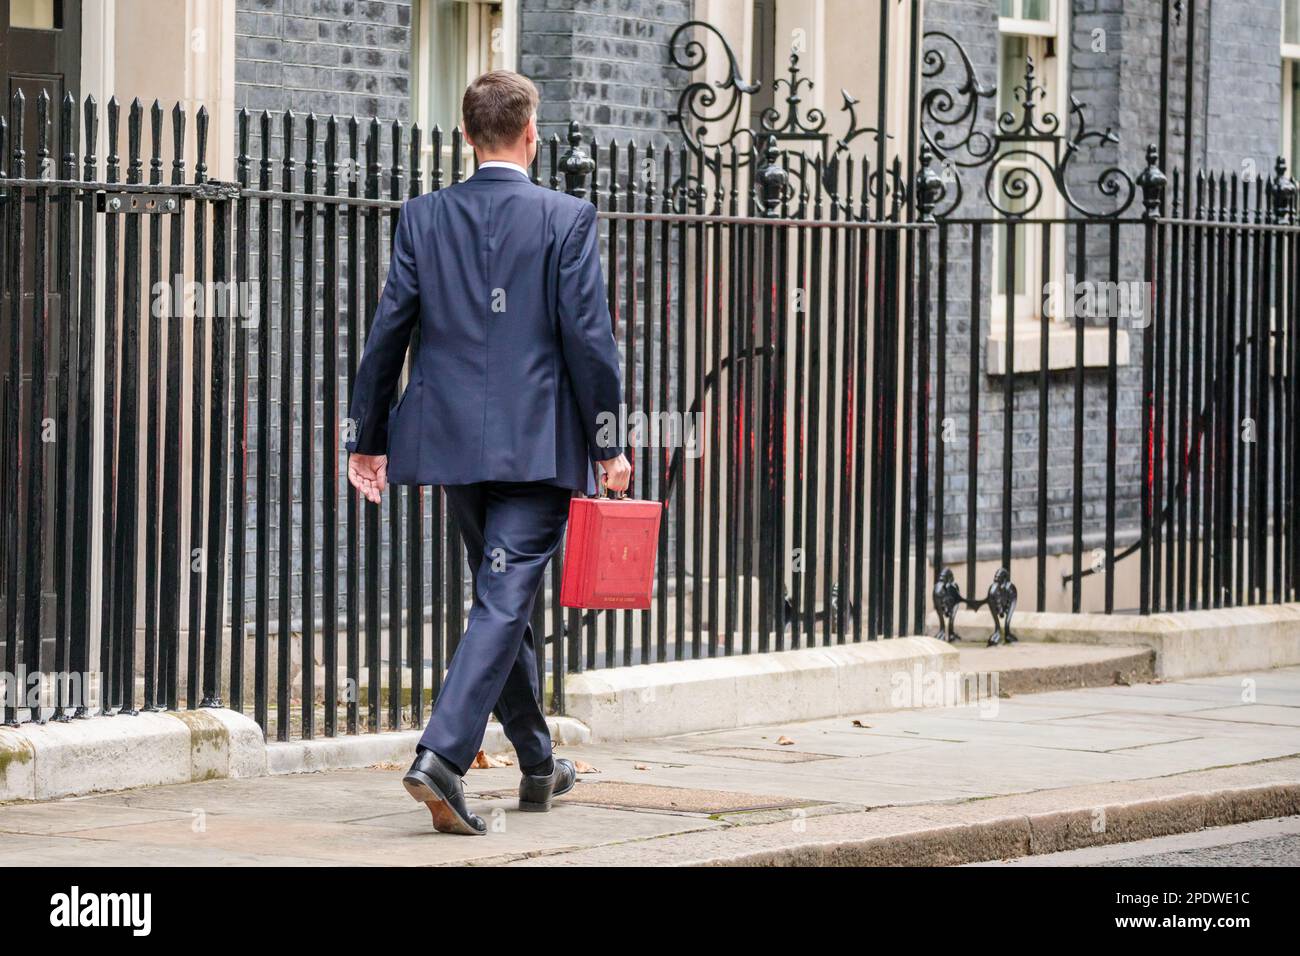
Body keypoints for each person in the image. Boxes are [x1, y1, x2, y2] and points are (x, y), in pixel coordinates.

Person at [345, 70, 630, 835]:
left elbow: (387, 335)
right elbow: (589, 342)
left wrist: (366, 440)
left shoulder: (423, 217)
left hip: (450, 448)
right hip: (538, 450)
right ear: (530, 133)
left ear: (467, 137)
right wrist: (609, 443)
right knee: (503, 601)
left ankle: (538, 761)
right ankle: (442, 755)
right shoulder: (566, 217)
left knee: (504, 603)